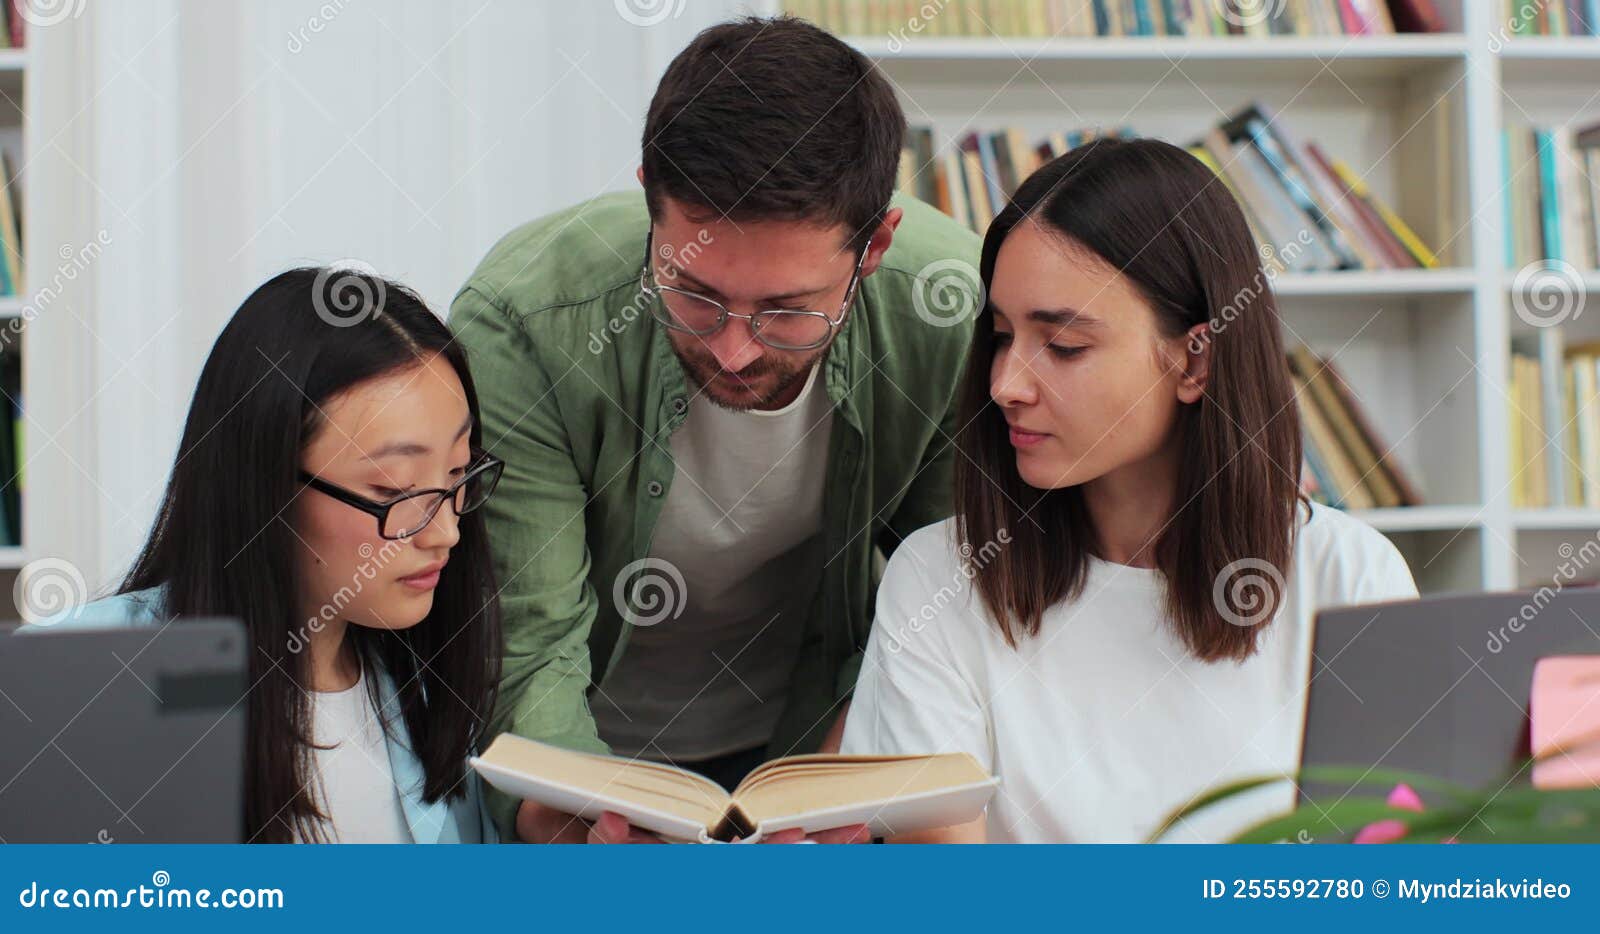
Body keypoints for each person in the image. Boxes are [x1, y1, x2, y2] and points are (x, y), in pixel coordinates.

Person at [449, 15, 979, 843]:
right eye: (693, 293)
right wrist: (579, 821)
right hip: (583, 751)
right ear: (649, 201)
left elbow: (949, 606)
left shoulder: (950, 315)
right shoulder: (526, 319)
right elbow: (528, 644)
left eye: (787, 310)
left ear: (873, 246)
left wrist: (843, 781)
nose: (733, 349)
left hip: (810, 745)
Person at [839, 138, 1420, 843]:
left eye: (1064, 346)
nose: (1005, 385)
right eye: (999, 335)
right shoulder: (938, 581)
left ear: (1194, 360)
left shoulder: (1350, 578)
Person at [30, 267, 504, 843]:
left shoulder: (431, 695)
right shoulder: (76, 686)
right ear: (264, 484)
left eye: (458, 473)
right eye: (396, 490)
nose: (447, 531)